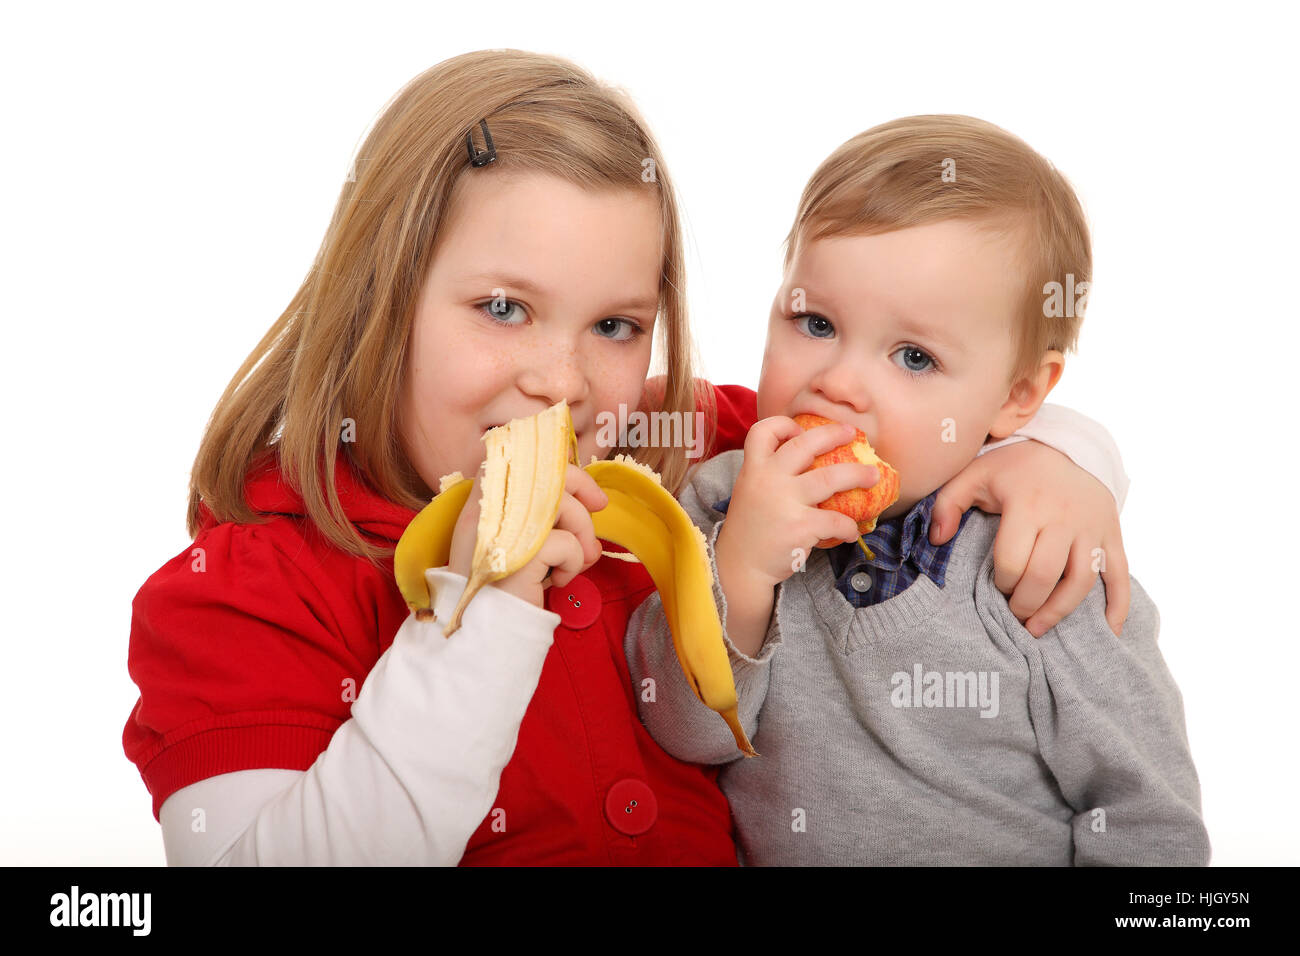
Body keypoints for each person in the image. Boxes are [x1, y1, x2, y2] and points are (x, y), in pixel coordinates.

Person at [123, 55, 1133, 866]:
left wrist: (1060, 453)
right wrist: (479, 616)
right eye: (504, 307)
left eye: (613, 324)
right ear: (376, 297)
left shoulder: (672, 443)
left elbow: (902, 419)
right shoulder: (238, 595)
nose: (562, 381)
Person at [627, 114, 1210, 866]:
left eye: (913, 357)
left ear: (1018, 395)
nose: (838, 382)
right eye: (815, 321)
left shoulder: (1039, 565)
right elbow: (685, 731)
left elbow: (1151, 819)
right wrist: (741, 570)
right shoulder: (719, 503)